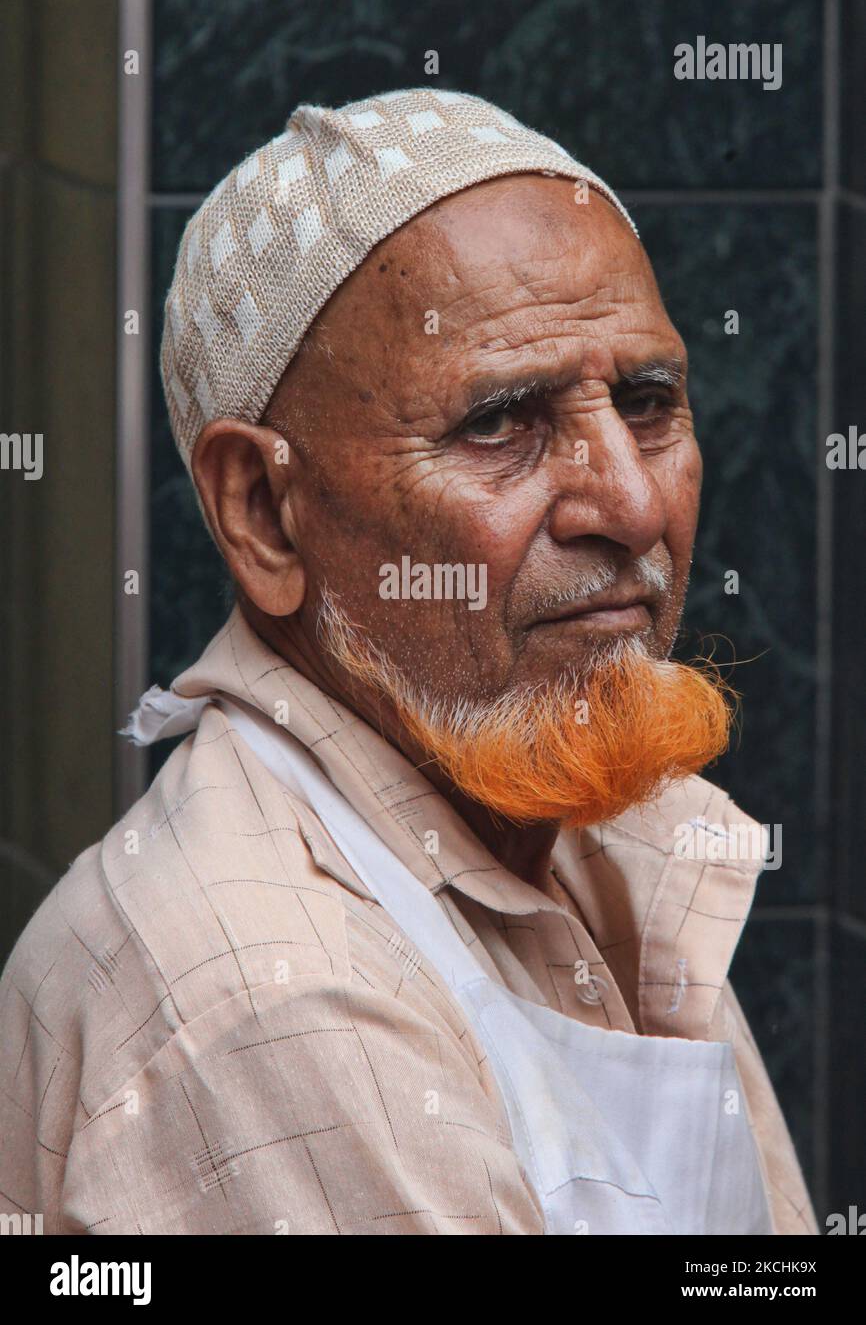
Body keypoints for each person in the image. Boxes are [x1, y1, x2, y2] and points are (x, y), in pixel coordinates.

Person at [0, 88, 817, 1235]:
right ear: (265, 515)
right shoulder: (264, 990)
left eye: (645, 402)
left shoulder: (583, 839)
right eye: (499, 424)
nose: (630, 504)